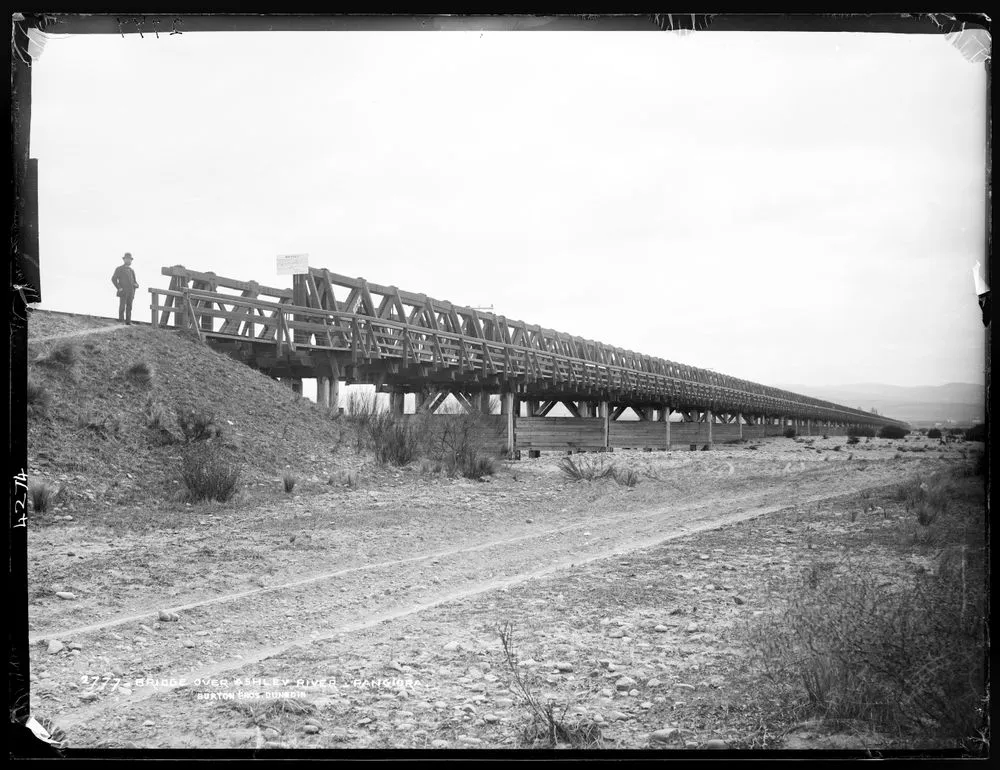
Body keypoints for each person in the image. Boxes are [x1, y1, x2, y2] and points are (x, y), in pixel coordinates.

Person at [111, 252, 139, 324]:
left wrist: (136, 285)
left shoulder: (132, 270)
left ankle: (128, 322)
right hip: (123, 291)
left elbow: (135, 282)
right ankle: (121, 321)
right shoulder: (119, 269)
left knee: (129, 307)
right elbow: (113, 279)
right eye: (127, 259)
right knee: (122, 306)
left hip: (131, 292)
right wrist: (119, 288)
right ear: (124, 260)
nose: (129, 261)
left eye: (130, 259)